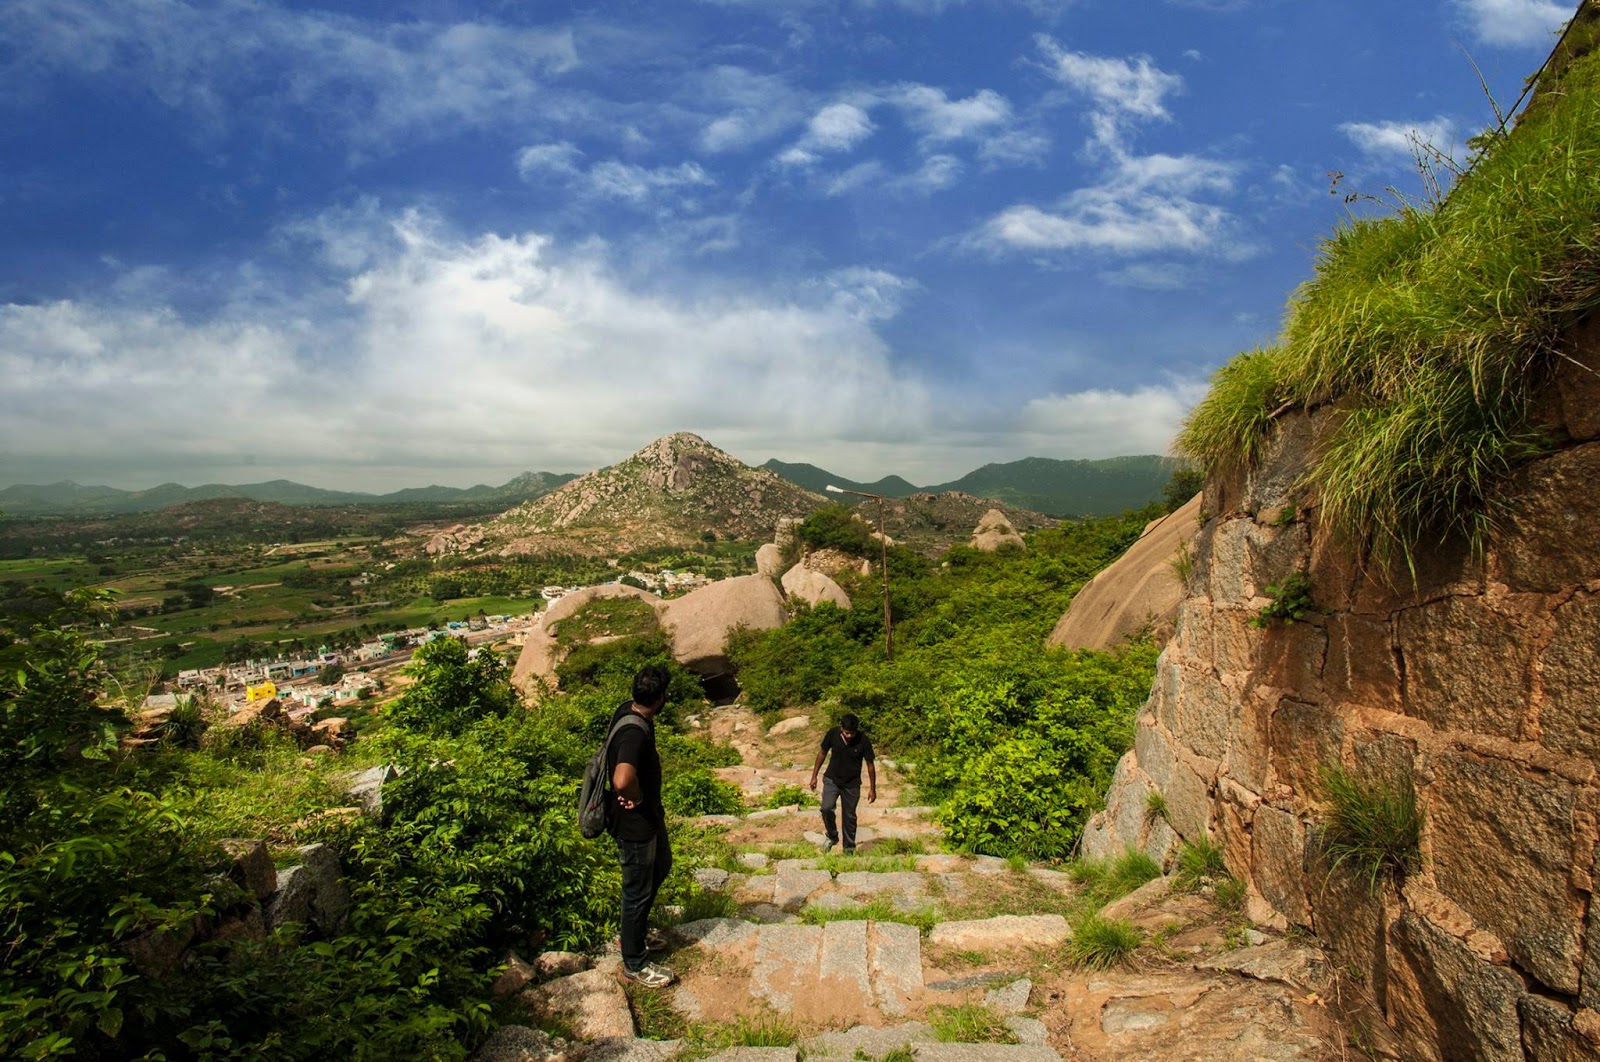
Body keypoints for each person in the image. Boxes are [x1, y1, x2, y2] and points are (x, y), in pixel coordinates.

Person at [609, 664, 676, 988]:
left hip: (649, 818)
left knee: (661, 865)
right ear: (660, 698)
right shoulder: (634, 732)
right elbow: (622, 779)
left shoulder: (629, 710)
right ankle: (634, 962)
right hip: (635, 826)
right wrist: (634, 796)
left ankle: (633, 933)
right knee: (636, 890)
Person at [808, 713, 876, 854]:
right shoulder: (833, 734)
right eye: (846, 733)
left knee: (849, 816)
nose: (849, 736)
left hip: (852, 783)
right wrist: (814, 776)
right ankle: (832, 836)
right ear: (841, 729)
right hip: (832, 779)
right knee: (826, 808)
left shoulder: (863, 740)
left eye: (852, 733)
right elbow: (822, 753)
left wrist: (872, 788)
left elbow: (870, 764)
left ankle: (849, 849)